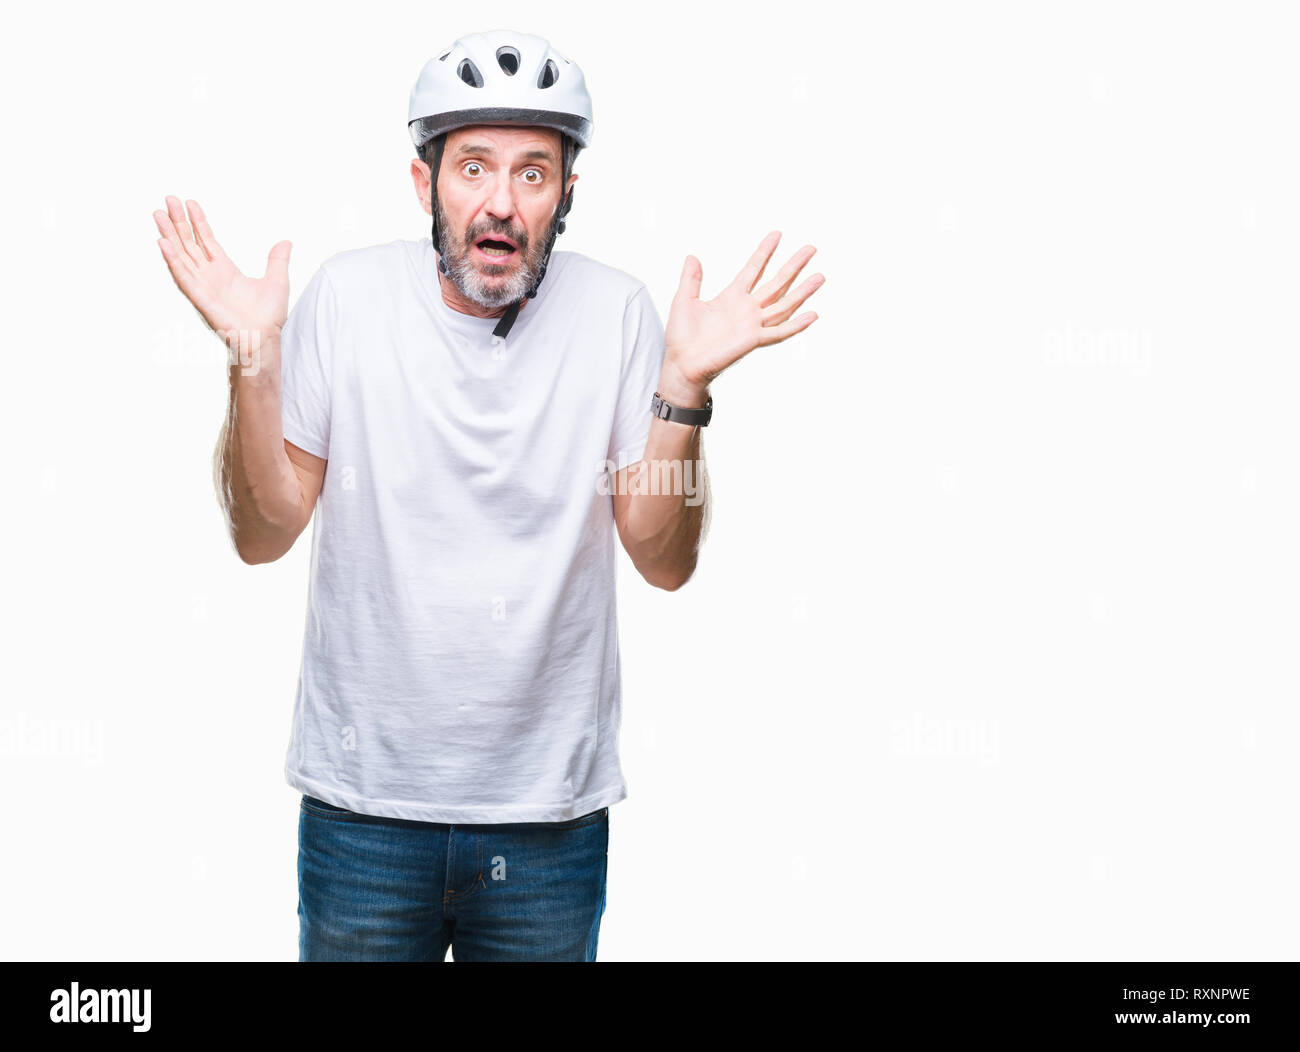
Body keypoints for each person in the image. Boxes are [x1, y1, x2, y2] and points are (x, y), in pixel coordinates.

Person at [153, 29, 823, 961]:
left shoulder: (618, 314)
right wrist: (251, 359)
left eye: (532, 173)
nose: (501, 202)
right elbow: (262, 534)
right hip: (363, 816)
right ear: (424, 183)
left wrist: (684, 388)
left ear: (566, 194)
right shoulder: (346, 300)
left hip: (548, 822)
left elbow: (663, 560)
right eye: (473, 167)